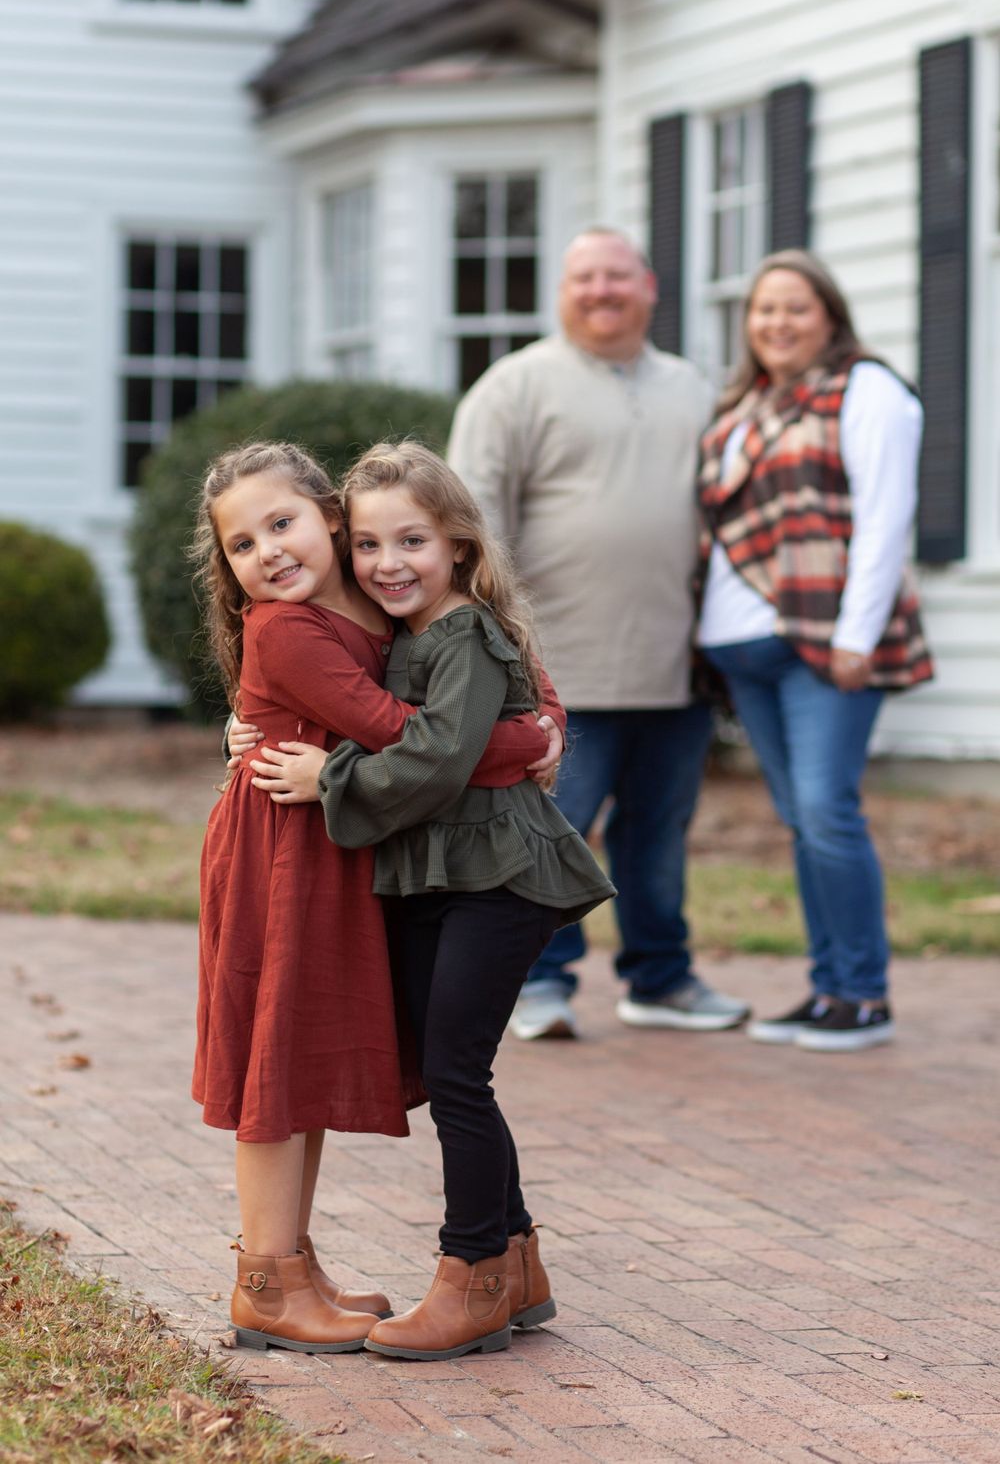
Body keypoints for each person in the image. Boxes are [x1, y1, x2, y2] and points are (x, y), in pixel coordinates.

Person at [249, 441, 615, 1361]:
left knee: (457, 1075)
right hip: (435, 872)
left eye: (411, 541)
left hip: (498, 874)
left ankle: (474, 1274)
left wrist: (330, 774)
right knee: (450, 1067)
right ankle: (517, 1259)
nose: (387, 563)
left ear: (457, 542)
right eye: (369, 545)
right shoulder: (386, 621)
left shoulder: (464, 629)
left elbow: (441, 751)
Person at [448, 226, 751, 1041]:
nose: (601, 291)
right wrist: (498, 655)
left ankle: (661, 979)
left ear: (649, 287)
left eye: (617, 276)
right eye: (584, 277)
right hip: (557, 671)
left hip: (675, 666)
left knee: (658, 839)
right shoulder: (513, 388)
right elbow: (468, 529)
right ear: (562, 290)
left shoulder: (694, 388)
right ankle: (537, 982)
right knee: (551, 837)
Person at [696, 250, 934, 1053]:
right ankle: (828, 987)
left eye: (796, 308)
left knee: (829, 812)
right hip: (742, 646)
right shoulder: (748, 402)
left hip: (822, 641)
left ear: (830, 315)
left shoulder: (869, 391)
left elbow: (884, 519)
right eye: (764, 309)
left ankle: (864, 996)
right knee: (803, 821)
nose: (778, 323)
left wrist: (856, 637)